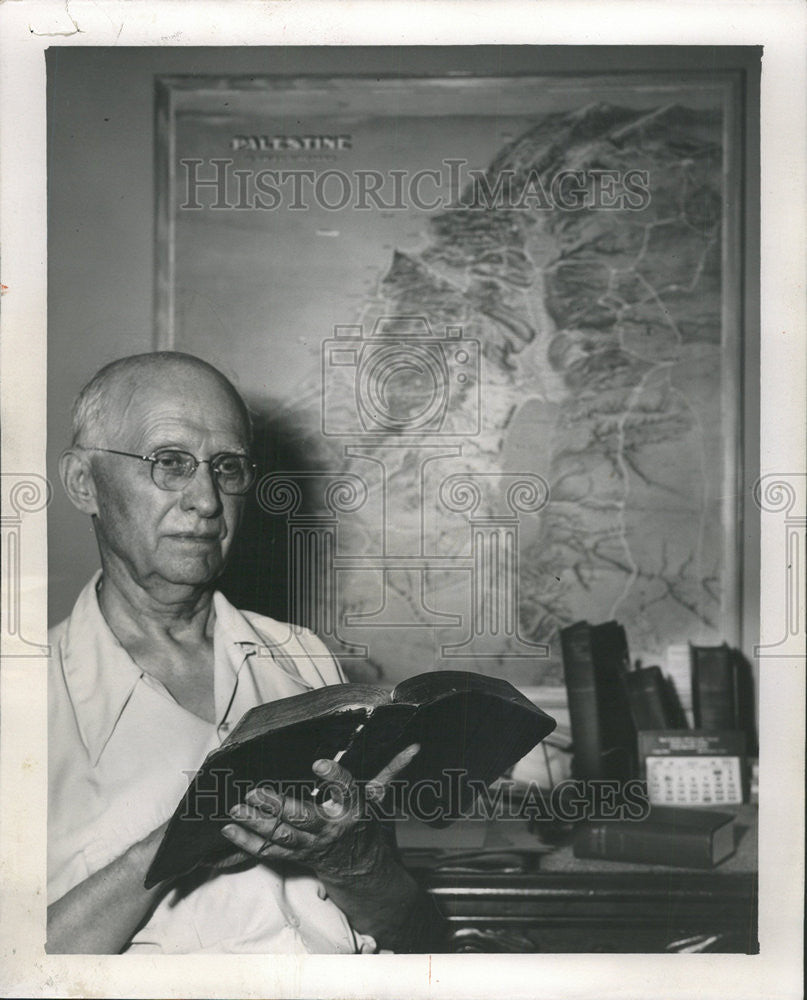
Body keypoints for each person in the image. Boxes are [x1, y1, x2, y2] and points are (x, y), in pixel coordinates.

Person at [47, 351, 445, 954]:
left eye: (227, 468)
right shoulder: (29, 693)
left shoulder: (301, 657)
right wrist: (174, 847)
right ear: (84, 482)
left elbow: (404, 929)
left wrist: (353, 860)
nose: (207, 500)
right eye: (170, 463)